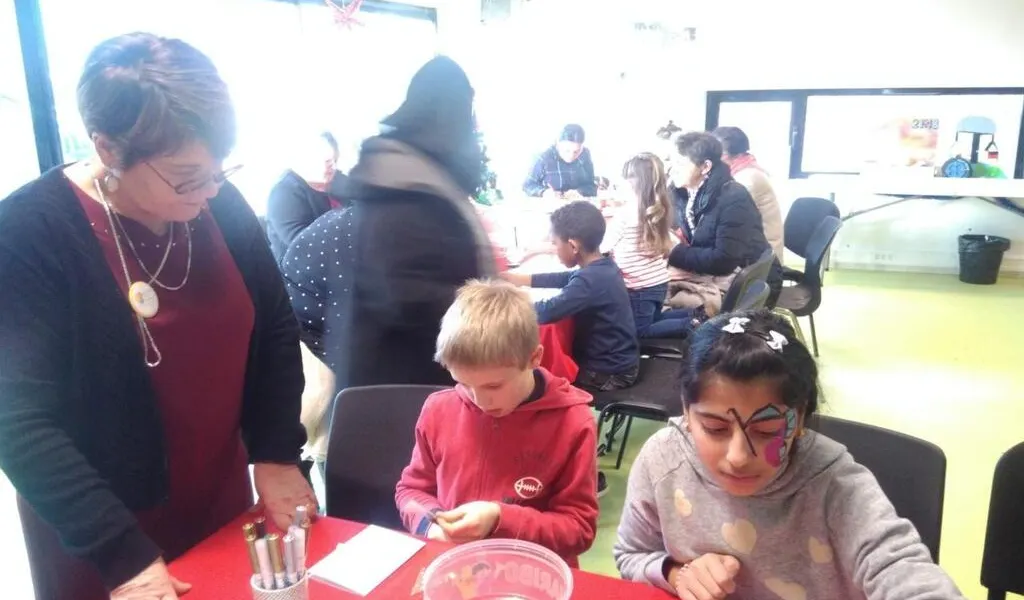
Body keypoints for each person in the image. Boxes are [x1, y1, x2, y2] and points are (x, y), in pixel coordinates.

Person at [0, 33, 315, 600]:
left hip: (217, 493)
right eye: (187, 175)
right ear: (106, 147)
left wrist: (274, 451)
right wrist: (120, 555)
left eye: (220, 166)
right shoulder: (27, 234)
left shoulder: (221, 203)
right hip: (99, 529)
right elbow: (19, 422)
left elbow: (273, 326)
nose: (212, 187)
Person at [613, 310, 965, 599]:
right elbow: (630, 554)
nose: (738, 456)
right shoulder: (663, 461)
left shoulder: (835, 486)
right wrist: (676, 572)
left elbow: (898, 566)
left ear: (799, 421)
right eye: (715, 429)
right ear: (687, 412)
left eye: (766, 432)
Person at [282, 55, 495, 390]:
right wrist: (492, 307)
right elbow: (410, 294)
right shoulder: (405, 184)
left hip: (411, 368)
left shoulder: (412, 174)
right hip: (400, 381)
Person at [395, 280, 598, 566]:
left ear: (534, 358)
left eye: (494, 386)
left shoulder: (573, 423)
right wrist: (431, 526)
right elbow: (410, 490)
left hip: (530, 573)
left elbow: (579, 529)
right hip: (456, 567)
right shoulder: (438, 409)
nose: (481, 401)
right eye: (463, 384)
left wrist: (500, 518)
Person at [501, 201, 639, 393]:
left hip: (608, 373)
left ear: (573, 246)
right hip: (622, 363)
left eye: (555, 243)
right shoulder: (603, 266)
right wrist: (521, 279)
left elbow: (547, 311)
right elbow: (566, 278)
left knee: (541, 381)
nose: (554, 248)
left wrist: (504, 305)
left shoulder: (589, 280)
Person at [665, 132, 781, 316]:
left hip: (744, 280)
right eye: (670, 162)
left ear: (705, 167)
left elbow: (723, 261)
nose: (672, 169)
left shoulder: (733, 197)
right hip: (717, 273)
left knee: (654, 300)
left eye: (680, 163)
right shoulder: (683, 192)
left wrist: (674, 251)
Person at [604, 153, 690, 338]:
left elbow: (603, 247)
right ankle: (695, 315)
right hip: (658, 281)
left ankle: (690, 323)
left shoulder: (625, 215)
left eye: (626, 177)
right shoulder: (660, 207)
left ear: (634, 182)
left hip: (639, 287)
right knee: (655, 318)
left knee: (638, 331)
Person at [265, 131, 345, 264]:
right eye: (328, 163)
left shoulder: (336, 180)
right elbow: (304, 247)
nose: (334, 168)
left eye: (335, 161)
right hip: (305, 274)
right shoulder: (284, 194)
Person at [713, 126, 785, 259]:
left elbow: (722, 216)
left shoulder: (748, 178)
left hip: (762, 260)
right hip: (751, 248)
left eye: (718, 155)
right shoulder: (742, 171)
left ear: (737, 155)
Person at [523, 124, 598, 199]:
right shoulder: (544, 157)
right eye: (567, 151)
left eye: (576, 151)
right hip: (550, 204)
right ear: (558, 144)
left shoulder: (585, 154)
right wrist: (544, 192)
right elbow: (528, 185)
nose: (571, 156)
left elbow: (591, 186)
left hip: (577, 204)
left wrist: (579, 191)